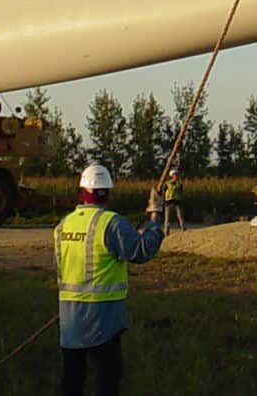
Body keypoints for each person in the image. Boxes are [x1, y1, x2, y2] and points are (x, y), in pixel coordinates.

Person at [56, 164, 163, 396]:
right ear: (108, 193)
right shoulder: (111, 223)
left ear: (82, 192)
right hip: (103, 317)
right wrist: (155, 215)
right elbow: (142, 250)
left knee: (71, 378)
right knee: (107, 379)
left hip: (70, 315)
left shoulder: (63, 225)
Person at [162, 168, 185, 234]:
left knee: (180, 216)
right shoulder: (167, 183)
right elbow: (164, 192)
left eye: (177, 174)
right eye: (175, 174)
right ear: (171, 175)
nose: (176, 176)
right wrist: (163, 201)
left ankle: (183, 228)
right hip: (168, 202)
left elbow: (181, 192)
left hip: (177, 201)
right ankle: (166, 231)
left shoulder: (179, 184)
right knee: (167, 218)